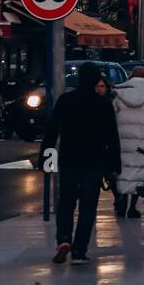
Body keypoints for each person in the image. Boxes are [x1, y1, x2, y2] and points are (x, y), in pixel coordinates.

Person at [39, 62, 120, 265]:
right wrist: (115, 164)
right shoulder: (103, 104)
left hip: (69, 159)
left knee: (66, 203)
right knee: (88, 207)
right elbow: (113, 137)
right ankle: (79, 250)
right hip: (94, 161)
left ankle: (64, 238)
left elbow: (52, 131)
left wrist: (46, 156)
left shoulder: (66, 100)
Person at [111, 67, 144, 218]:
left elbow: (112, 117)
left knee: (123, 171)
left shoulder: (119, 95)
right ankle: (133, 207)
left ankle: (121, 200)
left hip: (123, 140)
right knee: (139, 173)